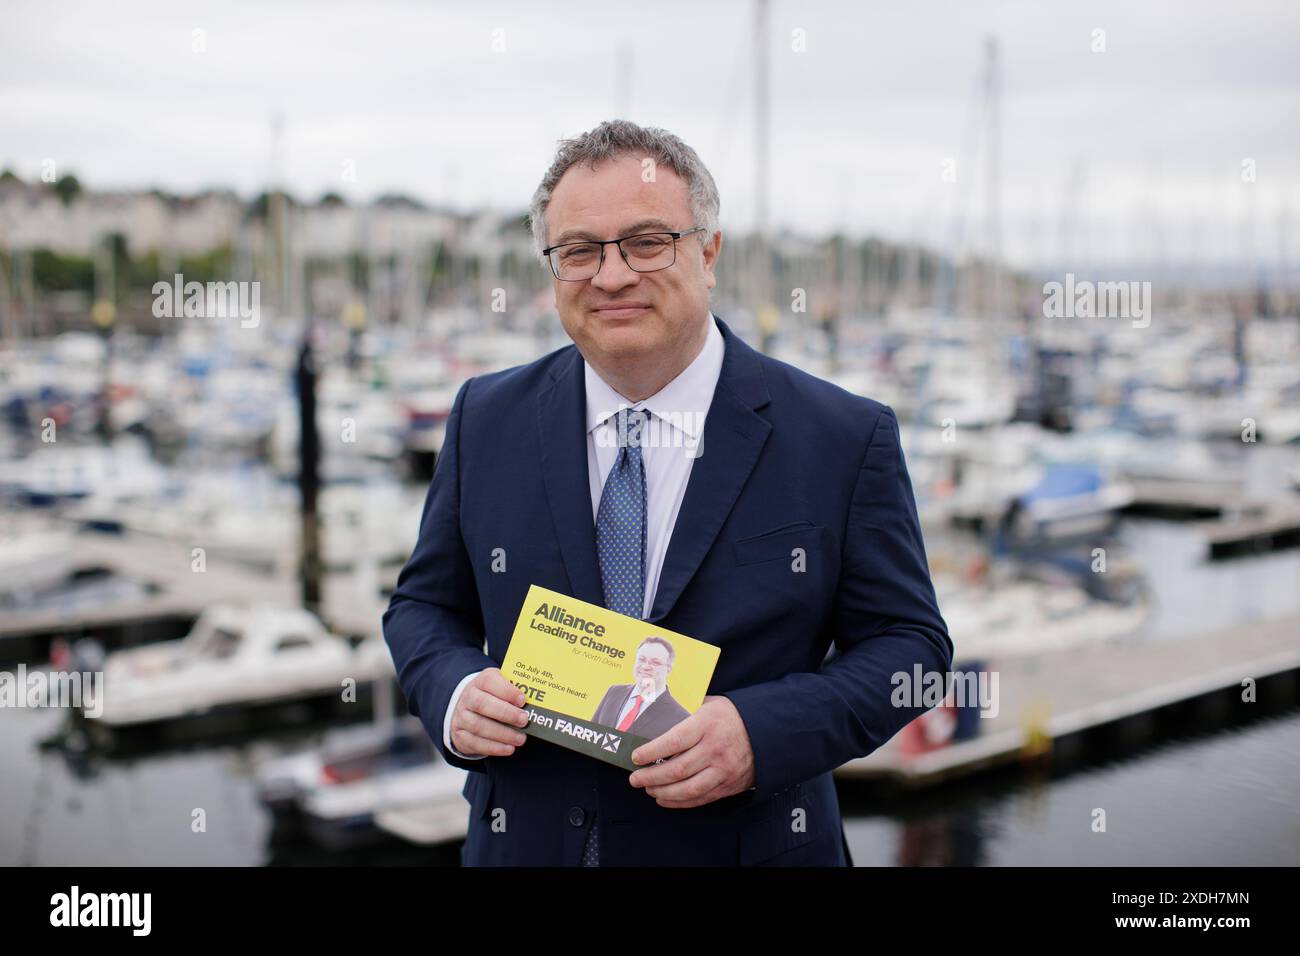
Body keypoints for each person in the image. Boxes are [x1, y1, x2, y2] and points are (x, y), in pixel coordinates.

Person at [383, 119, 952, 866]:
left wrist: (760, 732)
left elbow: (912, 649)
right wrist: (455, 695)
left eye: (647, 242)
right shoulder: (485, 419)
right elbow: (425, 606)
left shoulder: (842, 436)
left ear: (708, 252)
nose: (612, 276)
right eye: (579, 252)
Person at [591, 636, 690, 739]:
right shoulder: (614, 691)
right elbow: (591, 730)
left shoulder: (681, 718)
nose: (646, 666)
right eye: (642, 659)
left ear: (668, 669)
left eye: (655, 663)